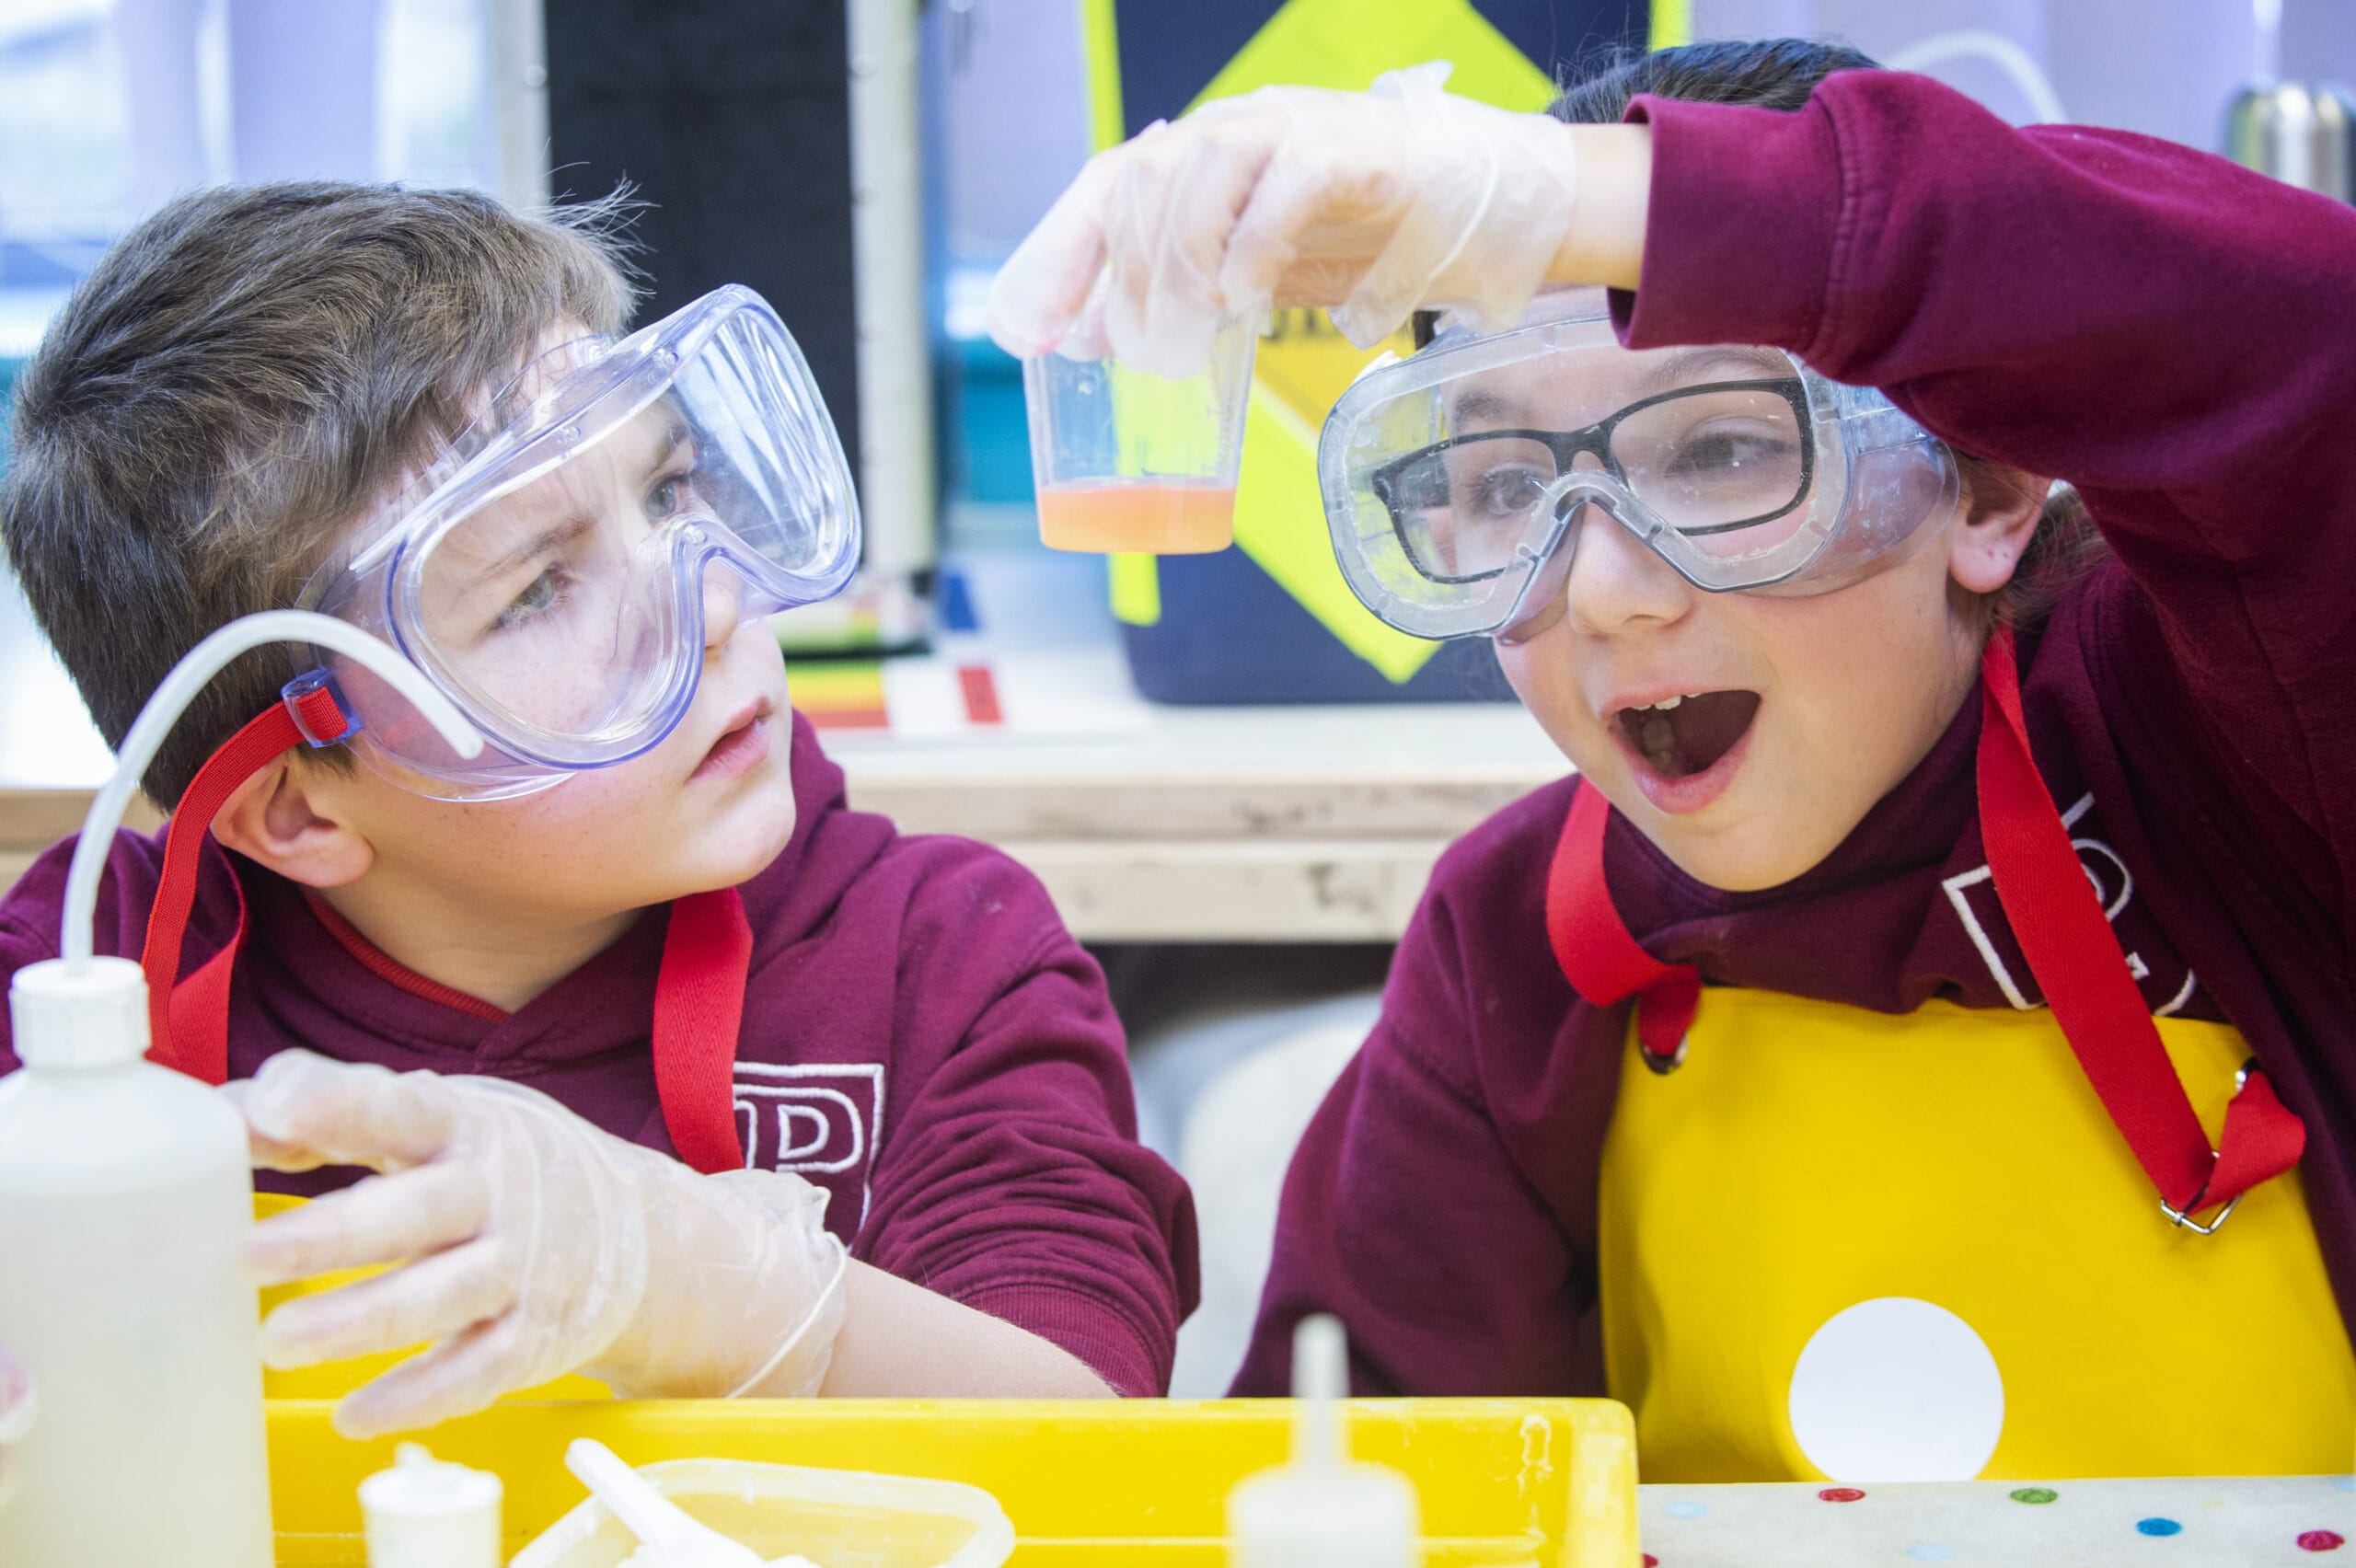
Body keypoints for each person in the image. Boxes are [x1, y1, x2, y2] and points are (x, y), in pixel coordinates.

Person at [988, 40, 2356, 1479]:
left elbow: (2308, 340)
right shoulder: (1514, 943)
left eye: (1721, 450)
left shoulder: (2234, 757)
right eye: (1510, 484)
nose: (1606, 593)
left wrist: (1564, 198)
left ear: (1991, 482)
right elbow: (1377, 1486)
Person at [0, 183, 1195, 1440]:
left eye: (670, 491)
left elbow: (1097, 1444)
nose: (714, 604)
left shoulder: (943, 958)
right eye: (535, 592)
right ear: (296, 812)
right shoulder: (87, 981)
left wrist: (704, 1288)